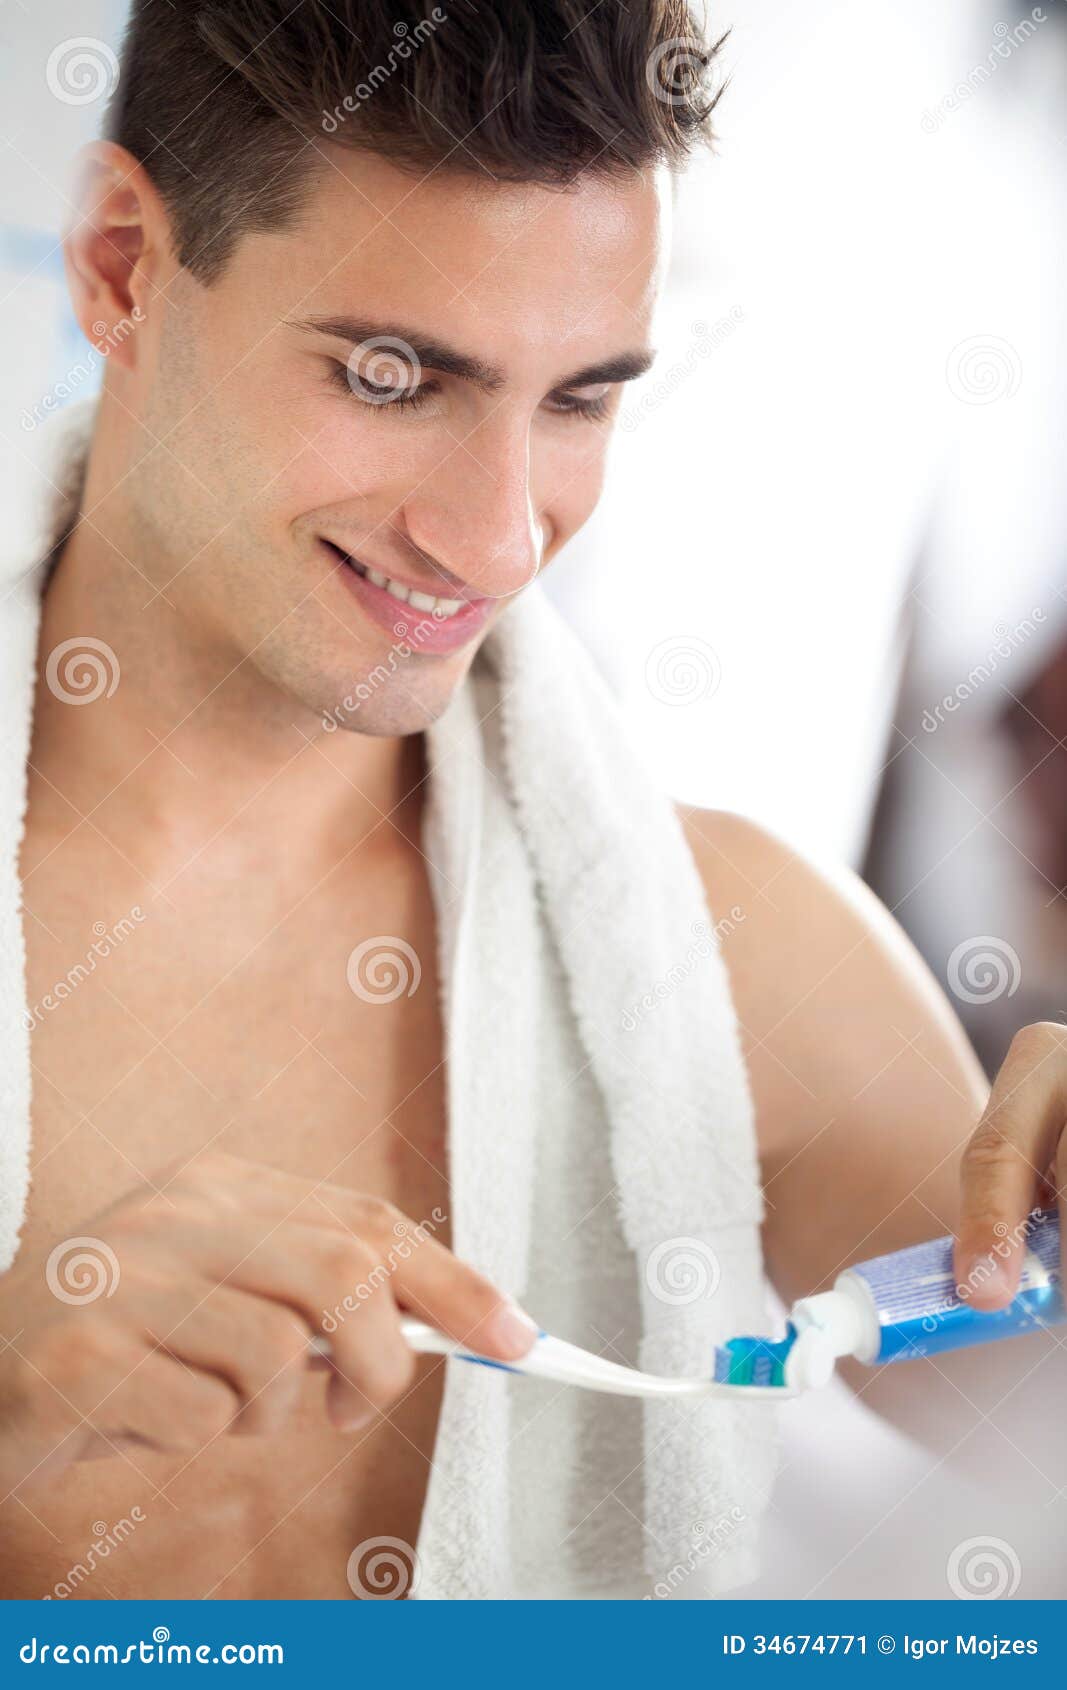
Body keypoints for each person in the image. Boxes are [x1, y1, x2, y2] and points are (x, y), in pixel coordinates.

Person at [1, 0, 1062, 1601]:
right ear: (123, 265)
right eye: (391, 374)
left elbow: (1028, 1412)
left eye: (577, 399)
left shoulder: (727, 958)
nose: (501, 542)